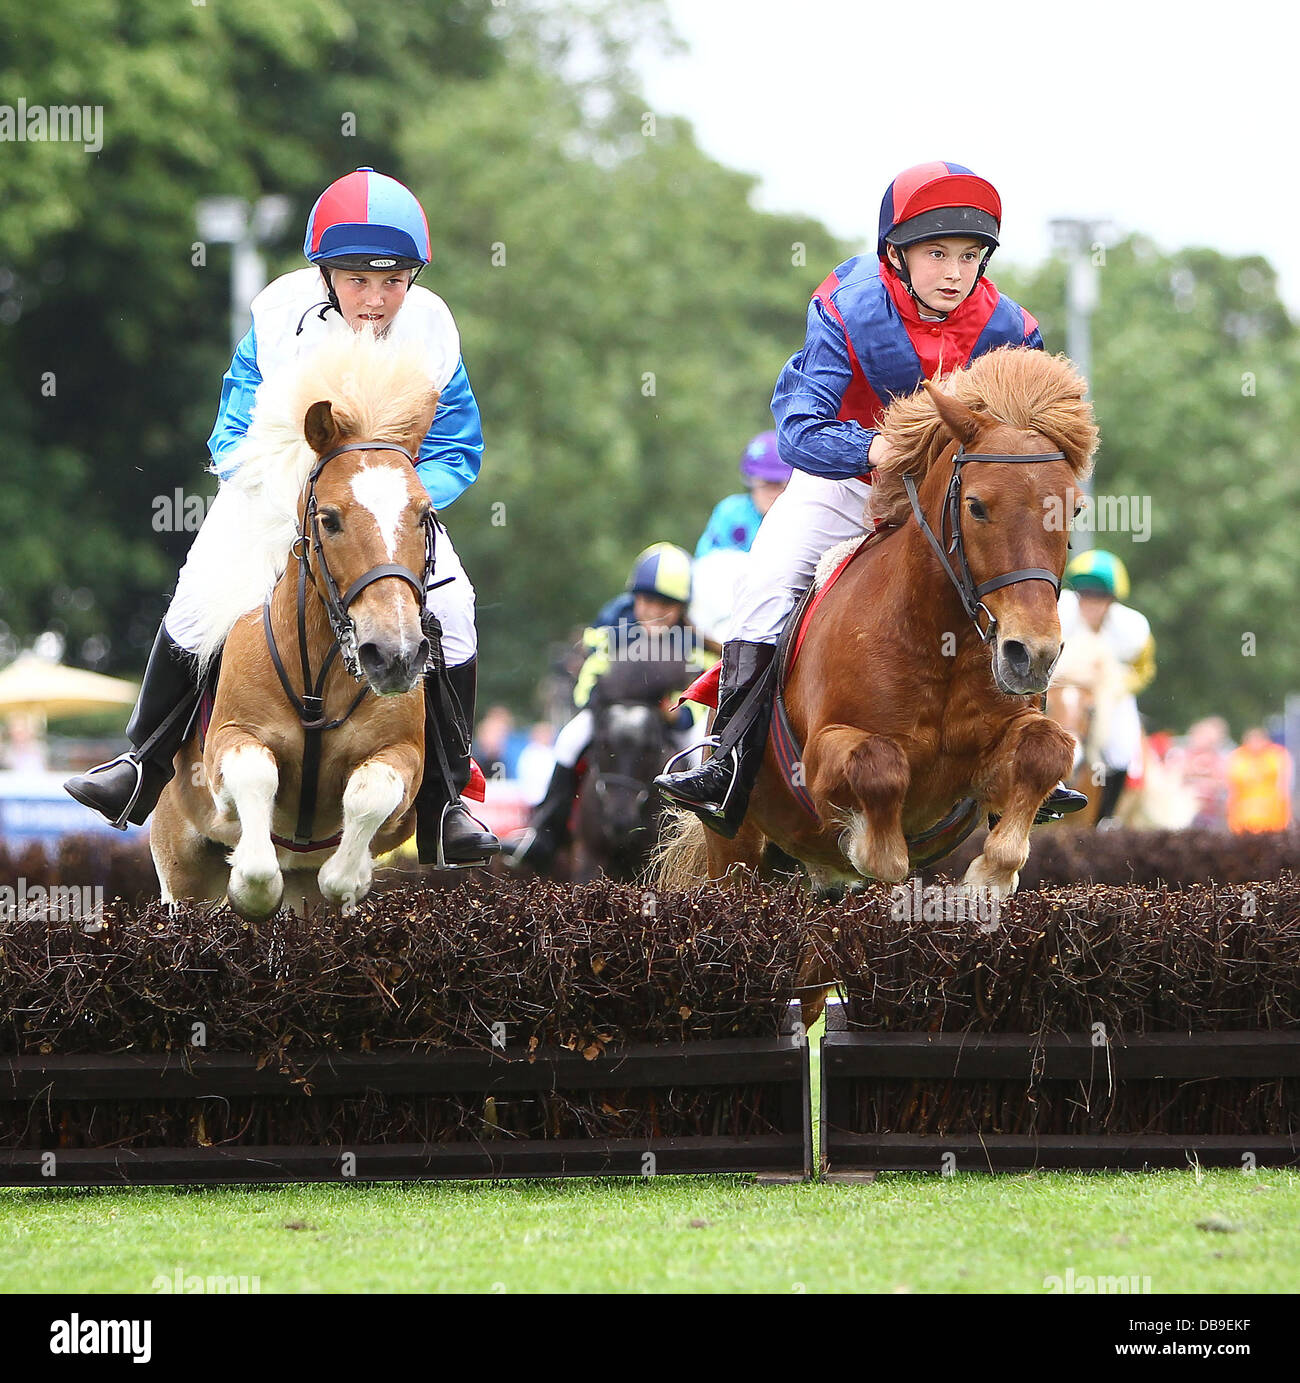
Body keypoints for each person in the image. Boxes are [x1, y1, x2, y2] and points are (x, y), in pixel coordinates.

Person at [64, 168, 499, 865]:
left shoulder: (433, 327)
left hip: (384, 512)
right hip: (274, 499)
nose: (378, 299)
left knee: (457, 602)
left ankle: (446, 799)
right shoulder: (277, 314)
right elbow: (231, 434)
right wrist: (307, 497)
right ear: (324, 272)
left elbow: (457, 447)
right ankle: (141, 763)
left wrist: (395, 497)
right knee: (200, 585)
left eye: (394, 280)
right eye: (359, 279)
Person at [656, 161, 1086, 835]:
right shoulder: (846, 304)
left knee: (1018, 582)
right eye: (936, 253)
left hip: (955, 501)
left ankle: (1029, 740)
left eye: (970, 256)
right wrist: (871, 451)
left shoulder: (1012, 327)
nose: (954, 272)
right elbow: (798, 430)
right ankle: (727, 761)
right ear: (895, 252)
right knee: (766, 583)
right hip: (843, 482)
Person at [509, 543, 714, 870]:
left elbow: (700, 694)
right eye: (647, 601)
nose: (654, 612)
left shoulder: (692, 640)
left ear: (681, 609)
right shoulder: (613, 624)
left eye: (666, 605)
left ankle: (704, 842)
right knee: (569, 740)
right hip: (610, 713)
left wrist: (677, 712)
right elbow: (589, 677)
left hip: (668, 722)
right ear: (635, 599)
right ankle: (545, 833)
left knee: (697, 755)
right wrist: (601, 703)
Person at [1057, 549, 1156, 822]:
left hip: (1109, 694)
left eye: (1098, 596)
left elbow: (1144, 670)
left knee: (1122, 747)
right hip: (1061, 687)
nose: (1090, 602)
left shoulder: (1133, 629)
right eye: (1084, 594)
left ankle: (1106, 817)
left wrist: (1115, 689)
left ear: (1111, 600)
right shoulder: (1059, 611)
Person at [695, 431, 793, 558]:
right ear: (750, 482)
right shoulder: (730, 512)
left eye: (779, 484)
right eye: (764, 483)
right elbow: (705, 561)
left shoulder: (804, 518)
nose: (771, 493)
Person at [1226, 728, 1292, 834]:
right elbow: (1232, 785)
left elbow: (1283, 784)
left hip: (1272, 810)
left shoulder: (1276, 755)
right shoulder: (1238, 756)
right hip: (1243, 811)